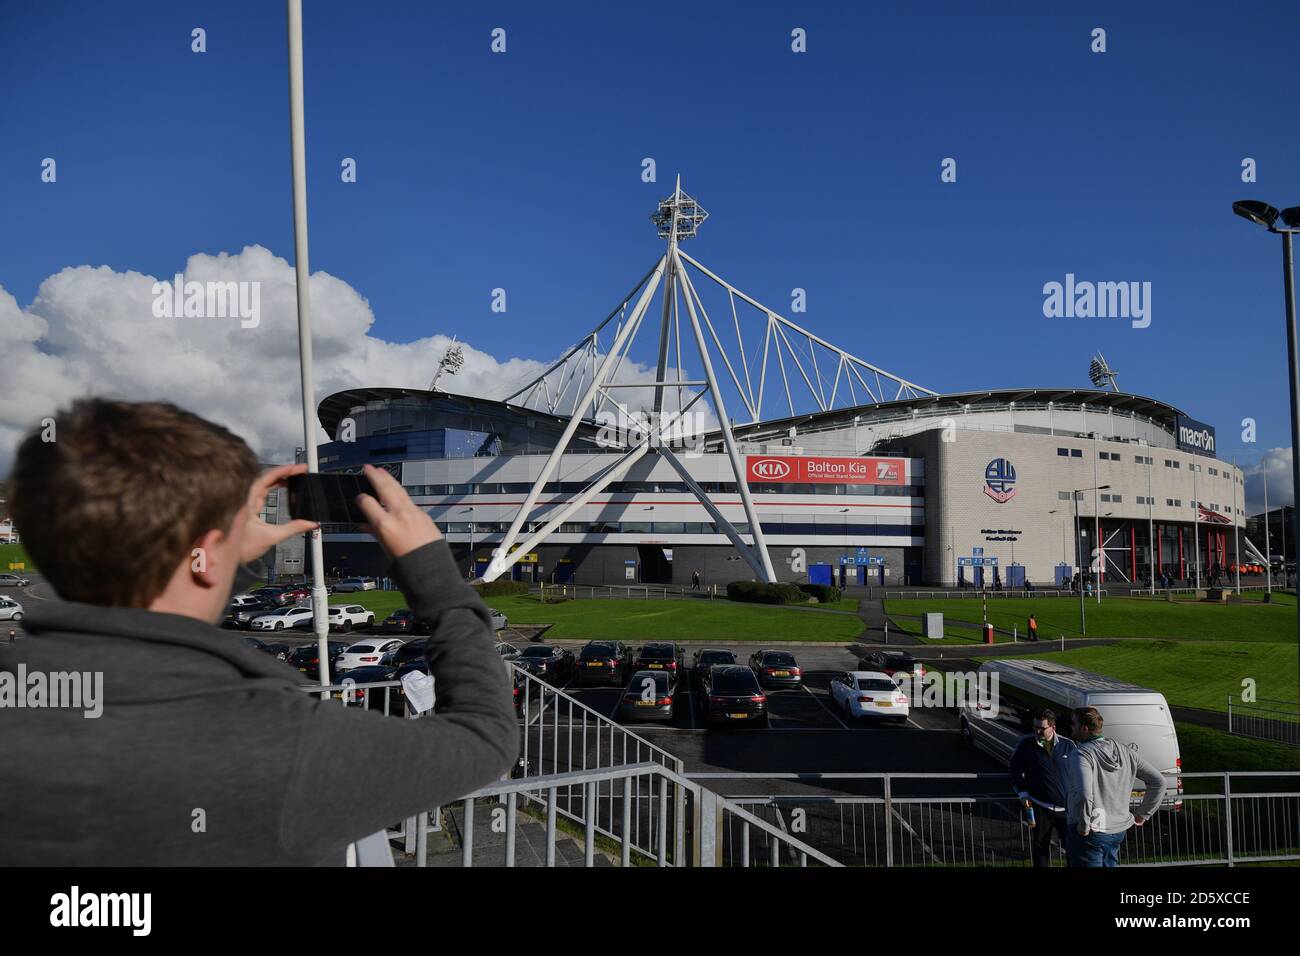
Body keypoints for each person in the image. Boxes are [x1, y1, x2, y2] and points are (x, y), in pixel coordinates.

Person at [0, 399, 519, 865]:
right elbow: (486, 737)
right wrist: (437, 580)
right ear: (204, 557)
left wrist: (224, 558)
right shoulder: (293, 745)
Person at [1065, 706, 1167, 867]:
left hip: (1091, 830)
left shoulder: (1082, 754)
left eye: (1073, 723)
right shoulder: (1125, 751)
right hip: (1117, 830)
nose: (1071, 726)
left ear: (1084, 728)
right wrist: (1143, 814)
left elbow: (1084, 793)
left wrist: (1083, 825)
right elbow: (1159, 781)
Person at [1009, 710, 1077, 867]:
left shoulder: (1068, 745)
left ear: (1052, 727)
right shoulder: (1026, 744)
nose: (1037, 731)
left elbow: (1078, 773)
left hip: (1067, 809)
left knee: (1072, 850)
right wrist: (1023, 793)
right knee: (1040, 850)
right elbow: (1014, 769)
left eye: (1041, 728)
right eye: (1035, 727)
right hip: (1040, 807)